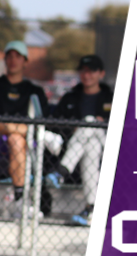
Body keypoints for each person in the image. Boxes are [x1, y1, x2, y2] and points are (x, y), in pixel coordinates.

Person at [0, 41, 50, 217]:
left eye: (18, 56)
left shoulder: (35, 91)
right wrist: (14, 127)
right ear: (5, 59)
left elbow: (41, 121)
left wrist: (8, 129)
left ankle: (20, 201)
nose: (13, 60)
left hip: (22, 145)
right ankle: (19, 130)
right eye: (9, 56)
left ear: (25, 61)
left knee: (16, 139)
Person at [48, 55, 113, 226]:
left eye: (91, 71)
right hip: (79, 147)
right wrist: (72, 128)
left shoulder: (111, 97)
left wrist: (102, 123)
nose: (87, 75)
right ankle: (91, 208)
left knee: (91, 122)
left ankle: (61, 171)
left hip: (107, 147)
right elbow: (55, 123)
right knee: (91, 146)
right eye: (83, 71)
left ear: (101, 73)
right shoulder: (71, 97)